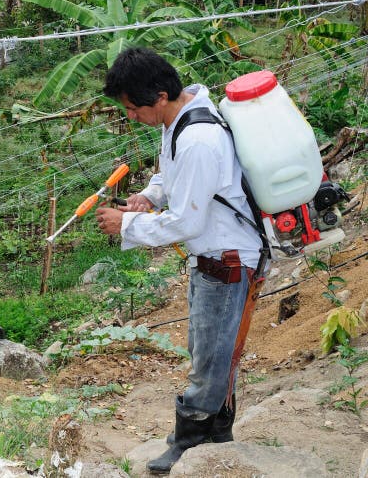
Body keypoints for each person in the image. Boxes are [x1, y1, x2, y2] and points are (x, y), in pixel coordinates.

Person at [94, 47, 263, 473]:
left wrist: (125, 225)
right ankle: (217, 436)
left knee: (211, 356)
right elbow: (172, 174)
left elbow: (187, 221)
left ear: (162, 95)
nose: (131, 116)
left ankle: (188, 444)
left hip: (225, 262)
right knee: (210, 349)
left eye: (133, 108)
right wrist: (149, 195)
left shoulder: (199, 140)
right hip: (210, 258)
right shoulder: (180, 118)